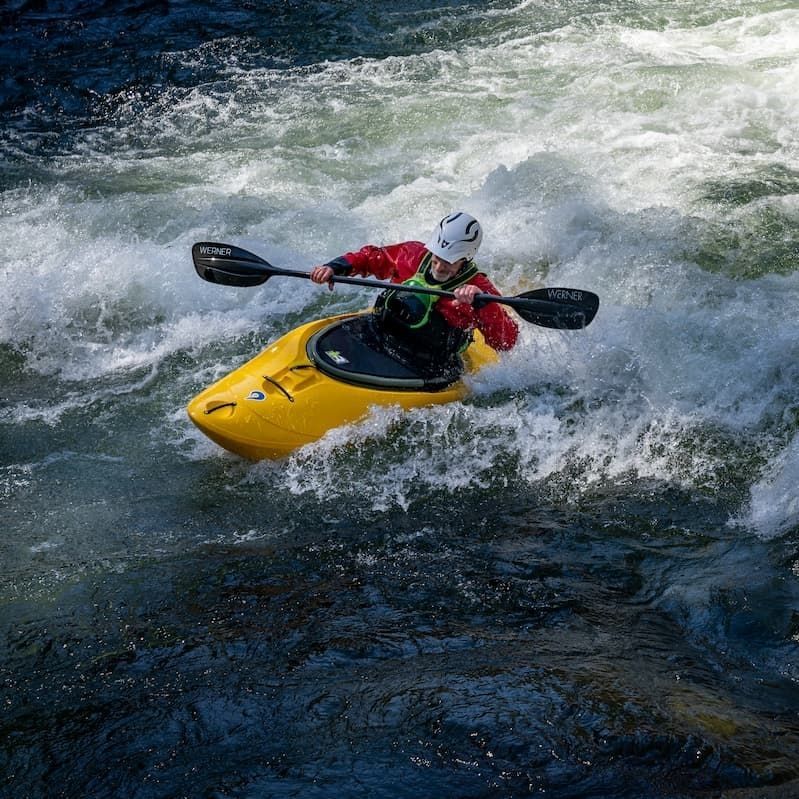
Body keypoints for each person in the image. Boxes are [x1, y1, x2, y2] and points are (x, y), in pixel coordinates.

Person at [310, 212, 519, 373]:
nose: (439, 267)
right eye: (437, 257)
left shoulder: (480, 288)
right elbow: (369, 258)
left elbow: (506, 341)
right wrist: (336, 267)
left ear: (466, 257)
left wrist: (482, 304)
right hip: (380, 333)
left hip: (425, 364)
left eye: (449, 261)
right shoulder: (413, 254)